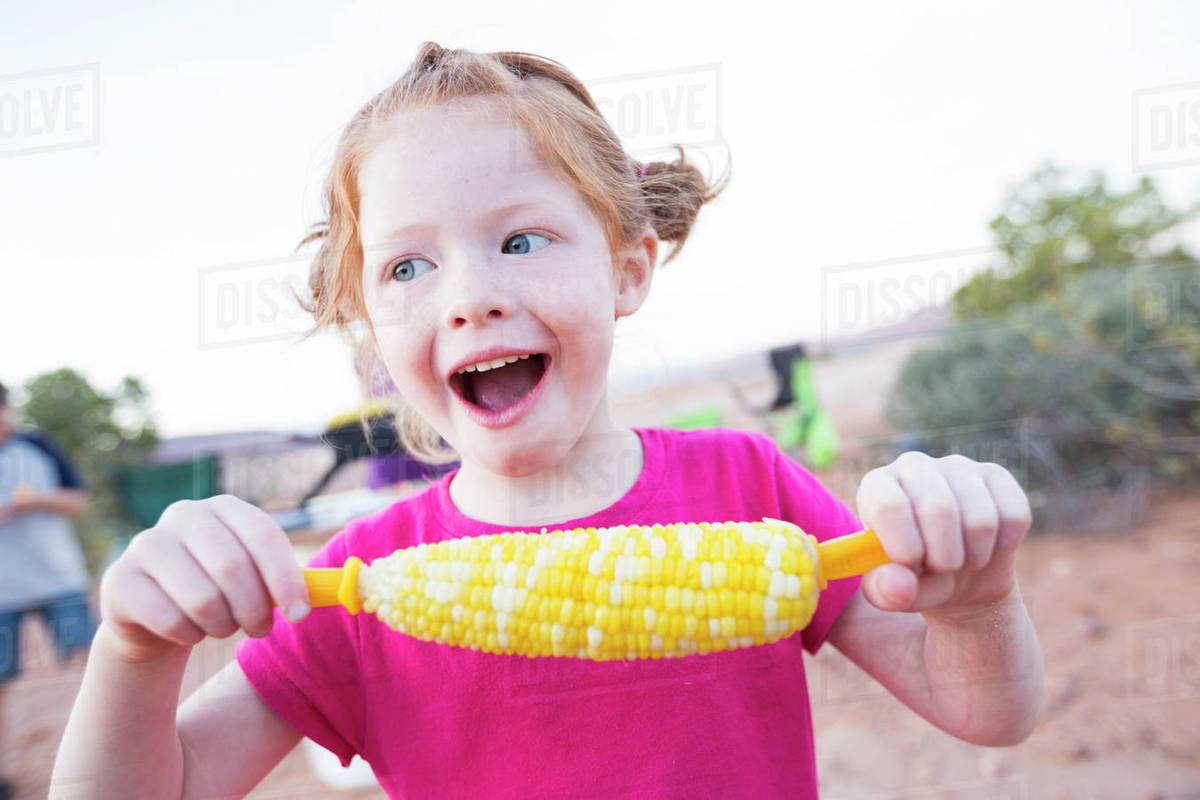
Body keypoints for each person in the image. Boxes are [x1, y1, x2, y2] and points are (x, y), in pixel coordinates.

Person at [51, 43, 1043, 799]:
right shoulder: (348, 588)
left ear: (629, 269)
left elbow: (986, 712)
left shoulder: (750, 486)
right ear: (371, 333)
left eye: (522, 238)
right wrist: (135, 650)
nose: (472, 295)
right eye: (407, 265)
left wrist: (974, 603)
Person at [0, 381, 94, 800]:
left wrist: (29, 502)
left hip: (58, 578)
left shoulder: (38, 446)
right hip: (3, 589)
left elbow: (79, 500)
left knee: (94, 662)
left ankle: (106, 754)